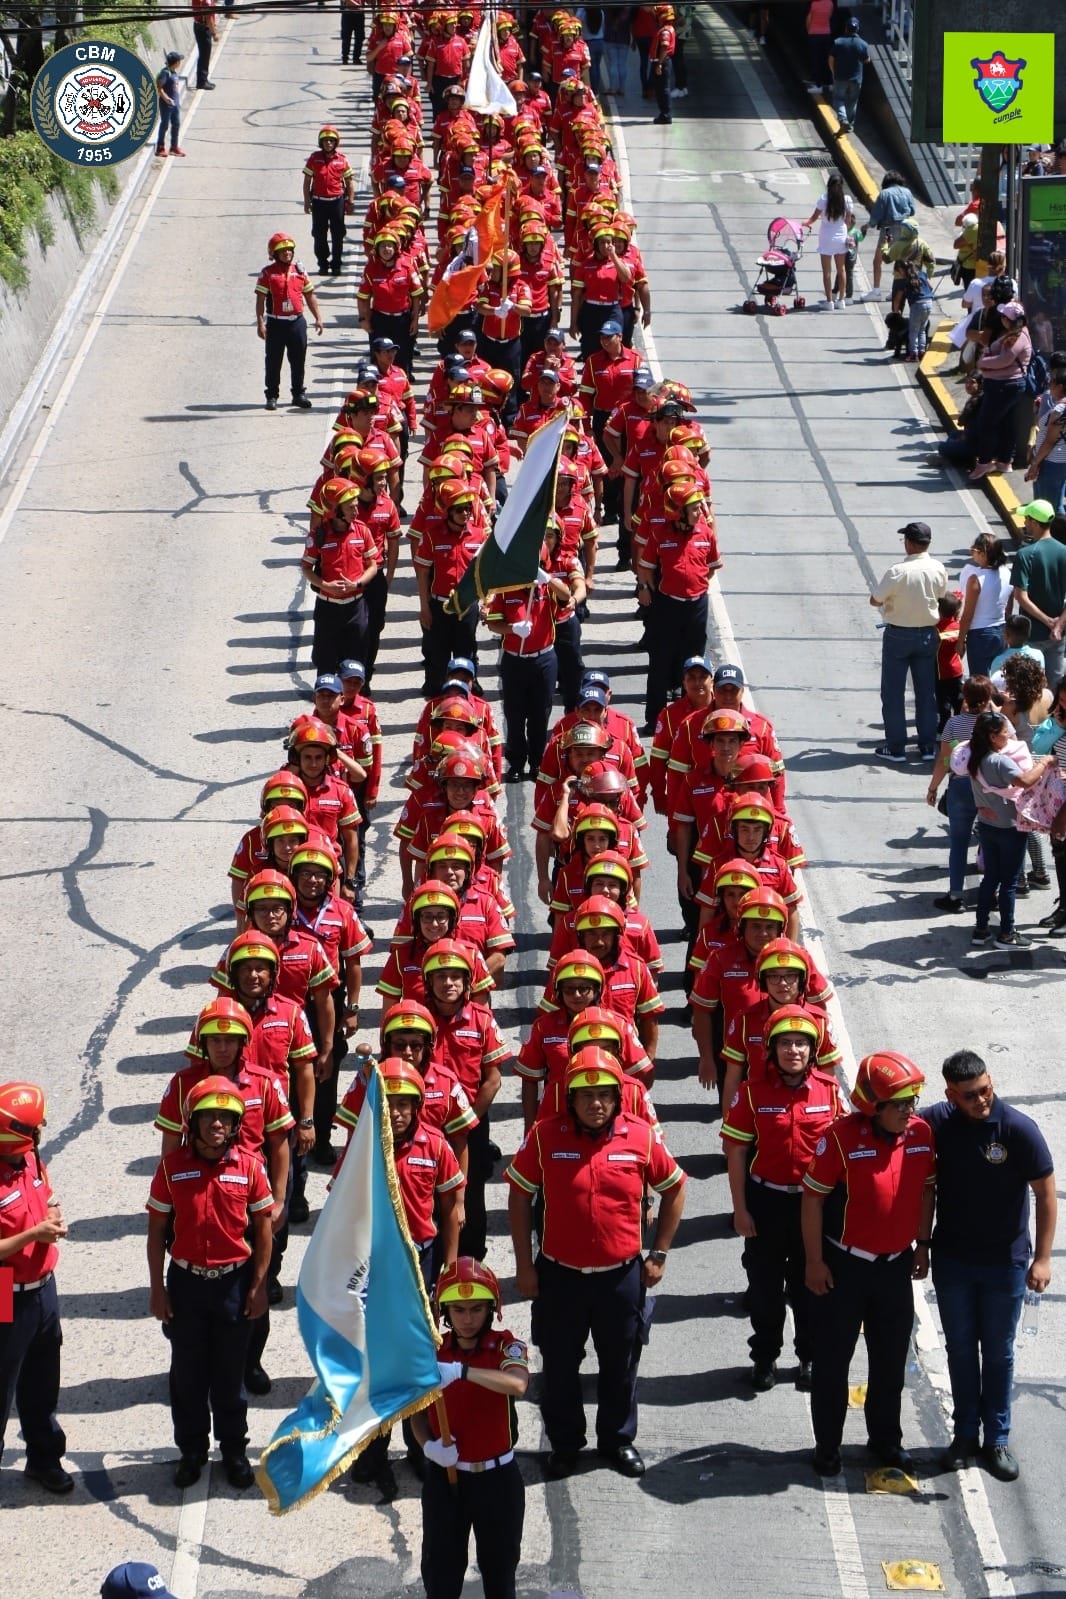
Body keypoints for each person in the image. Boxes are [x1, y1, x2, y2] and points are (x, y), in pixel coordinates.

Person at [506, 1050, 686, 1479]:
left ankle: (616, 1440)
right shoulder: (546, 1136)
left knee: (621, 1363)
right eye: (586, 1095)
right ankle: (566, 1445)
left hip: (620, 1278)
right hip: (559, 1277)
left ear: (618, 1098)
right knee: (561, 1366)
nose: (596, 1104)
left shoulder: (640, 1137)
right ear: (570, 1099)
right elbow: (518, 1195)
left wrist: (658, 1252)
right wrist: (524, 1267)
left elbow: (675, 1188)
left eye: (605, 1095)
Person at [801, 1051, 935, 1478]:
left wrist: (922, 1244)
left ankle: (885, 1440)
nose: (908, 1110)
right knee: (833, 1361)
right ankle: (827, 1446)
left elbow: (927, 1192)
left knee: (890, 1361)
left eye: (912, 1100)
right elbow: (813, 1200)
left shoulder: (922, 1134)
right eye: (899, 1103)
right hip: (845, 1269)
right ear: (872, 1106)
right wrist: (815, 1262)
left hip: (895, 1270)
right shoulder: (838, 1138)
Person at [926, 1050, 1056, 1482]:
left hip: (1006, 1264)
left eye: (985, 1090)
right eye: (969, 1095)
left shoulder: (1018, 1129)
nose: (981, 1100)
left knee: (998, 1354)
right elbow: (886, 1111)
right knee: (960, 1350)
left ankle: (996, 1440)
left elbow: (1047, 1194)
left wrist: (1042, 1258)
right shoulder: (938, 1123)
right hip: (953, 1262)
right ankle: (964, 1436)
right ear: (951, 1095)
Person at [146, 1077, 273, 1488]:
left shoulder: (251, 1166)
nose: (217, 1124)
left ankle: (234, 1451)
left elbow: (264, 1230)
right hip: (186, 1284)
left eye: (226, 1117)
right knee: (187, 1376)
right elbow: (156, 1230)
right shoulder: (170, 1168)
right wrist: (157, 1289)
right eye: (209, 1117)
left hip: (233, 1285)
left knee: (229, 1377)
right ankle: (192, 1451)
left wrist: (257, 1287)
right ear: (192, 1121)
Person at [721, 1010, 843, 1392]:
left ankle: (808, 1357)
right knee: (765, 1290)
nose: (794, 1050)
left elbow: (843, 1152)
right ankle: (765, 1358)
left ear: (813, 1049)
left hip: (815, 1205)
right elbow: (737, 1152)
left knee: (813, 1285)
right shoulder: (753, 1093)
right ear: (771, 1050)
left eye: (802, 1043)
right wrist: (740, 1209)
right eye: (786, 1043)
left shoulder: (830, 1090)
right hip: (766, 1203)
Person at [411, 1260, 528, 1599]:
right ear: (445, 1311)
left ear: (491, 1309)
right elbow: (416, 1413)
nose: (467, 1318)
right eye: (458, 1309)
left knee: (500, 1575)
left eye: (476, 1309)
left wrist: (462, 1372)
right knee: (440, 1576)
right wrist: (427, 1446)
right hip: (446, 1480)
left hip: (498, 1482)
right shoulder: (430, 1353)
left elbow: (517, 1385)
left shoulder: (506, 1346)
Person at [0, 1081, 73, 1494]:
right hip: (5, 1288)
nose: (40, 1132)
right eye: (33, 1127)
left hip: (44, 1289)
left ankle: (44, 1459)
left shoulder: (29, 1156)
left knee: (42, 1381)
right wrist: (34, 1234)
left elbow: (45, 1192)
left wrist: (52, 1210)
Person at [965, 710, 1054, 949]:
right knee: (1009, 882)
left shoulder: (973, 756)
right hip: (1009, 828)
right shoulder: (999, 760)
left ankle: (980, 929)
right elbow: (1025, 781)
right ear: (993, 736)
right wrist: (1045, 762)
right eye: (1005, 733)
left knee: (990, 878)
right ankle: (1007, 934)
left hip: (987, 826)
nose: (1009, 737)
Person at [870, 520, 949, 761]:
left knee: (893, 693)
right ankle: (926, 746)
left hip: (898, 635)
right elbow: (942, 596)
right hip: (926, 634)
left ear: (910, 544)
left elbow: (875, 600)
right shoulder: (938, 568)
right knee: (926, 692)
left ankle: (896, 747)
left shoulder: (898, 571)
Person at [926, 674, 994, 913]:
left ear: (965, 697)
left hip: (961, 786)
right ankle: (991, 894)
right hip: (990, 788)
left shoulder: (953, 725)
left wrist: (933, 788)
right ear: (988, 698)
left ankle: (956, 896)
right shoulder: (998, 722)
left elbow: (944, 761)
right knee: (990, 841)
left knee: (959, 843)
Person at [255, 233, 324, 412]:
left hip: (297, 323)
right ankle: (271, 395)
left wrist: (318, 318)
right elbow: (261, 300)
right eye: (282, 250)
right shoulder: (268, 273)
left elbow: (309, 296)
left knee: (298, 360)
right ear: (274, 253)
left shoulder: (300, 271)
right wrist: (260, 323)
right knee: (273, 361)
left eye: (289, 250)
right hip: (276, 323)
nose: (287, 253)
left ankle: (298, 394)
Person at [970, 303, 1032, 479]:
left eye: (1003, 317)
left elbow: (1004, 360)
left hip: (1005, 387)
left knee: (987, 424)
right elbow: (996, 349)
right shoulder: (1012, 334)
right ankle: (1004, 461)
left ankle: (984, 462)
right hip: (1003, 385)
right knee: (1006, 423)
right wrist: (988, 353)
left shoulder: (1019, 337)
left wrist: (983, 364)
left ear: (1007, 320)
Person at [1012, 499, 1066, 686]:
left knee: (1030, 688)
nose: (1025, 523)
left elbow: (1021, 596)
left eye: (1026, 519)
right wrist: (1058, 625)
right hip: (1057, 635)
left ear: (1034, 522)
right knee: (1055, 687)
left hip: (1031, 634)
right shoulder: (1064, 552)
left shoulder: (1025, 554)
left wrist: (1048, 621)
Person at [956, 533, 1011, 679]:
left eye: (973, 550)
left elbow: (968, 615)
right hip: (1001, 631)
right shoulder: (1007, 574)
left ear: (982, 554)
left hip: (980, 635)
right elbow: (1008, 609)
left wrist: (960, 641)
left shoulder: (975, 579)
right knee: (998, 680)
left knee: (980, 682)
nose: (971, 553)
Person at [303, 126, 355, 277]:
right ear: (321, 142)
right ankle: (323, 264)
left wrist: (350, 202)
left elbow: (350, 182)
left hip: (337, 202)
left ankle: (336, 264)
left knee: (337, 234)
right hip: (319, 203)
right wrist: (307, 202)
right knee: (319, 234)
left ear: (336, 142)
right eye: (325, 141)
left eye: (331, 141)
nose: (328, 144)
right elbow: (307, 182)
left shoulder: (342, 160)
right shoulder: (314, 159)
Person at [860, 172, 915, 301]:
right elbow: (912, 210)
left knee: (878, 260)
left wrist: (867, 226)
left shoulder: (885, 194)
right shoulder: (907, 192)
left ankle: (876, 291)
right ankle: (896, 291)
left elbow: (876, 215)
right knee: (900, 261)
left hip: (888, 229)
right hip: (905, 229)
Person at [804, 174, 854, 310]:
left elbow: (813, 218)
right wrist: (847, 232)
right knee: (841, 269)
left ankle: (829, 302)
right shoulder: (847, 200)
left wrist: (805, 223)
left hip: (826, 237)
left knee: (827, 272)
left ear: (829, 185)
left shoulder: (824, 199)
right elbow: (848, 220)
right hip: (841, 236)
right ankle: (841, 300)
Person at [1024, 368, 1066, 515]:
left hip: (1053, 461)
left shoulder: (1061, 409)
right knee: (1050, 503)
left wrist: (1035, 463)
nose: (1049, 387)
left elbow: (1049, 441)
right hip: (1054, 460)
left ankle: (1056, 535)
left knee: (1050, 506)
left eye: (1051, 384)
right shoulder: (1058, 406)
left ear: (1060, 387)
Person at [827, 17, 870, 133]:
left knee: (838, 99)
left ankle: (843, 119)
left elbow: (831, 59)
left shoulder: (838, 42)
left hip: (840, 77)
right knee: (852, 101)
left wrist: (833, 72)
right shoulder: (863, 44)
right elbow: (867, 60)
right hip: (856, 79)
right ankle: (849, 124)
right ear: (858, 29)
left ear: (846, 28)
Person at [935, 593, 964, 728]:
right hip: (957, 669)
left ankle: (944, 727)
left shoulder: (937, 628)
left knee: (943, 701)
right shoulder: (958, 627)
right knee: (957, 699)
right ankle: (959, 724)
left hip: (941, 671)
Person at [155, 52, 185, 157]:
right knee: (165, 125)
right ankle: (160, 147)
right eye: (179, 61)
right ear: (176, 62)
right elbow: (159, 87)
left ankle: (174, 147)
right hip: (166, 104)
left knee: (176, 124)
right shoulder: (165, 73)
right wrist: (166, 98)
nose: (180, 62)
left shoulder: (173, 72)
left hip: (175, 104)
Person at [191, 0, 216, 89]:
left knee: (203, 55)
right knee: (205, 56)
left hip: (198, 26)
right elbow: (209, 19)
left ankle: (203, 79)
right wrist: (214, 34)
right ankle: (202, 82)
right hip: (204, 29)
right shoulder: (206, 2)